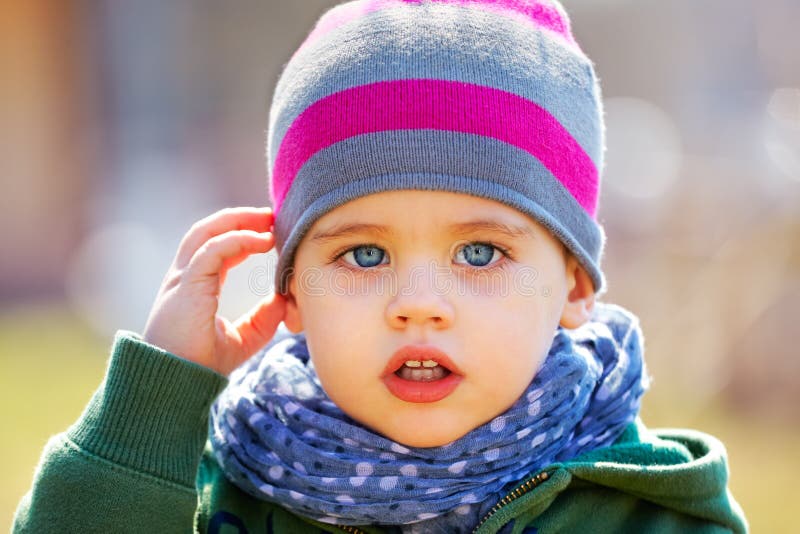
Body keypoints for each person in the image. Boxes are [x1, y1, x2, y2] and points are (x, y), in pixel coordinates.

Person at [13, 0, 749, 532]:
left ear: (577, 286)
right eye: (364, 254)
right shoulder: (223, 488)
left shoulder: (643, 510)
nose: (418, 303)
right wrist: (151, 407)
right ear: (291, 290)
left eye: (480, 252)